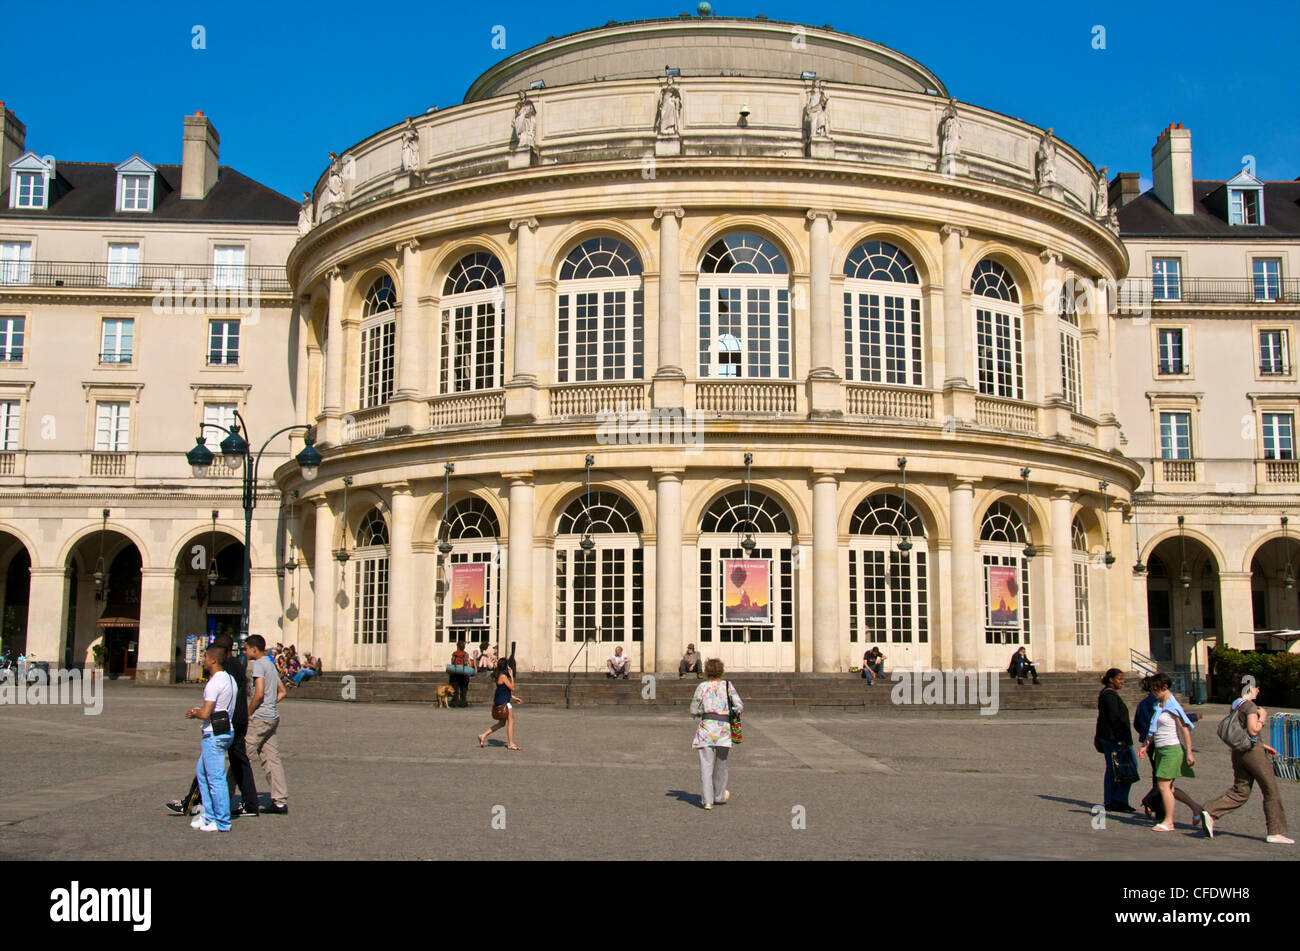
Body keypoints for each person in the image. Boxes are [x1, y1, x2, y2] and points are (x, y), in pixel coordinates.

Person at [165, 634, 259, 817]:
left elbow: (215, 704)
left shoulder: (224, 672)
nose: (204, 660)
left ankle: (198, 806)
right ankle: (250, 802)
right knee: (238, 762)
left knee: (211, 768)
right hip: (237, 719)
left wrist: (196, 713)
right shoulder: (237, 667)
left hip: (223, 723)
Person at [1202, 682, 1292, 844]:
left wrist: (1263, 745)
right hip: (1253, 753)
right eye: (1257, 687)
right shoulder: (1251, 706)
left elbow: (1240, 731)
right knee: (1271, 790)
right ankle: (1275, 832)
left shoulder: (1237, 705)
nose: (1258, 690)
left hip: (1238, 752)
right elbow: (1252, 730)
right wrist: (1262, 718)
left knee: (1241, 791)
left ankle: (1210, 811)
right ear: (1250, 689)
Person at [1137, 672, 1209, 835]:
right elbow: (1154, 728)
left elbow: (1184, 728)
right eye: (1152, 690)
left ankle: (1169, 821)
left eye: (1156, 690)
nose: (1154, 693)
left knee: (1162, 785)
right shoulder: (1159, 704)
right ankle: (1197, 808)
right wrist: (1146, 745)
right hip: (1160, 749)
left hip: (1171, 749)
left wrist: (1189, 752)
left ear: (1165, 687)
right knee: (1169, 788)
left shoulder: (1172, 704)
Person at [185, 645, 237, 832]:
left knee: (215, 778)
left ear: (213, 660)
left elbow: (207, 712)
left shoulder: (214, 682)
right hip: (225, 729)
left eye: (205, 657)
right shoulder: (230, 680)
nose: (203, 660)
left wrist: (194, 713)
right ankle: (208, 815)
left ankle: (222, 822)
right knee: (202, 773)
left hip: (214, 733)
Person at [244, 636, 289, 815]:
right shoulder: (270, 663)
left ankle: (224, 797)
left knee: (241, 757)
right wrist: (271, 705)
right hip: (272, 717)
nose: (245, 652)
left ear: (255, 649)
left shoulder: (258, 665)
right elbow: (283, 691)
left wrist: (248, 713)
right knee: (272, 759)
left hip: (260, 718)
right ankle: (280, 801)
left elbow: (259, 693)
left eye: (246, 648)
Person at [690, 658, 743, 810]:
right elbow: (739, 706)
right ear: (722, 670)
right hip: (723, 729)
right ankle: (719, 796)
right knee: (721, 764)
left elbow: (694, 709)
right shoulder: (727, 685)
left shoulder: (702, 686)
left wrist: (701, 712)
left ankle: (707, 801)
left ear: (706, 671)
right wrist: (730, 711)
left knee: (705, 766)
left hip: (706, 729)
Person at [1095, 668, 1137, 812]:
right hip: (1115, 739)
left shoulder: (1108, 694)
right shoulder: (1109, 695)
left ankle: (1114, 800)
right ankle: (1117, 799)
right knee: (1126, 767)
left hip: (1110, 737)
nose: (1122, 682)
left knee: (1114, 769)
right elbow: (1114, 718)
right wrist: (1122, 739)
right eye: (1119, 679)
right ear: (1111, 679)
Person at [477, 658, 522, 750]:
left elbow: (503, 690)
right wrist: (512, 676)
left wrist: (513, 698)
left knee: (502, 723)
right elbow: (512, 687)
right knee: (511, 721)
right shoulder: (503, 676)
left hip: (501, 700)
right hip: (504, 702)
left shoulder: (499, 675)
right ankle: (511, 743)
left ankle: (483, 735)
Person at [448, 640, 471, 708]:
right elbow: (469, 663)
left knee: (455, 688)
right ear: (464, 647)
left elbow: (452, 661)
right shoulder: (466, 654)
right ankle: (463, 703)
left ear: (457, 646)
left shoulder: (454, 653)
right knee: (463, 688)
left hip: (455, 673)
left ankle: (455, 702)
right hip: (463, 673)